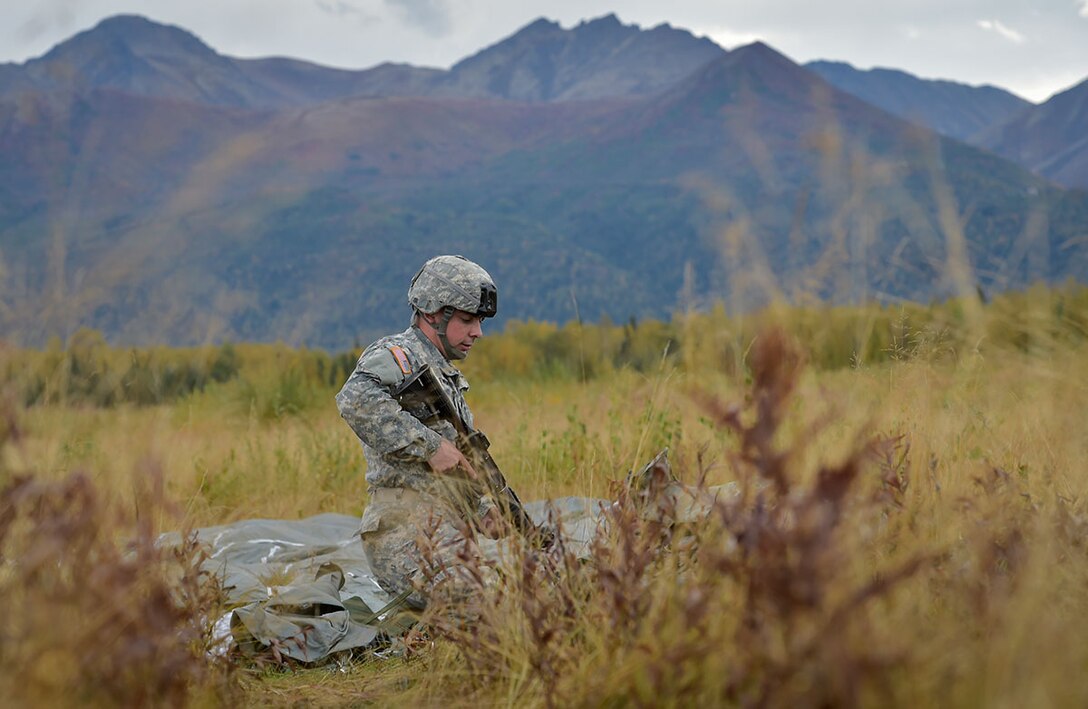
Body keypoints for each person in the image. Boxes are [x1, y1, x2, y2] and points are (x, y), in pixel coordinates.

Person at [336, 255, 508, 609]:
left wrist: (481, 511)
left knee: (530, 598)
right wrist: (431, 447)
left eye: (479, 320)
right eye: (467, 319)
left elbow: (453, 470)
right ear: (433, 313)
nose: (478, 332)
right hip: (405, 532)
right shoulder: (399, 355)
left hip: (443, 530)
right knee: (494, 608)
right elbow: (355, 399)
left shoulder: (446, 377)